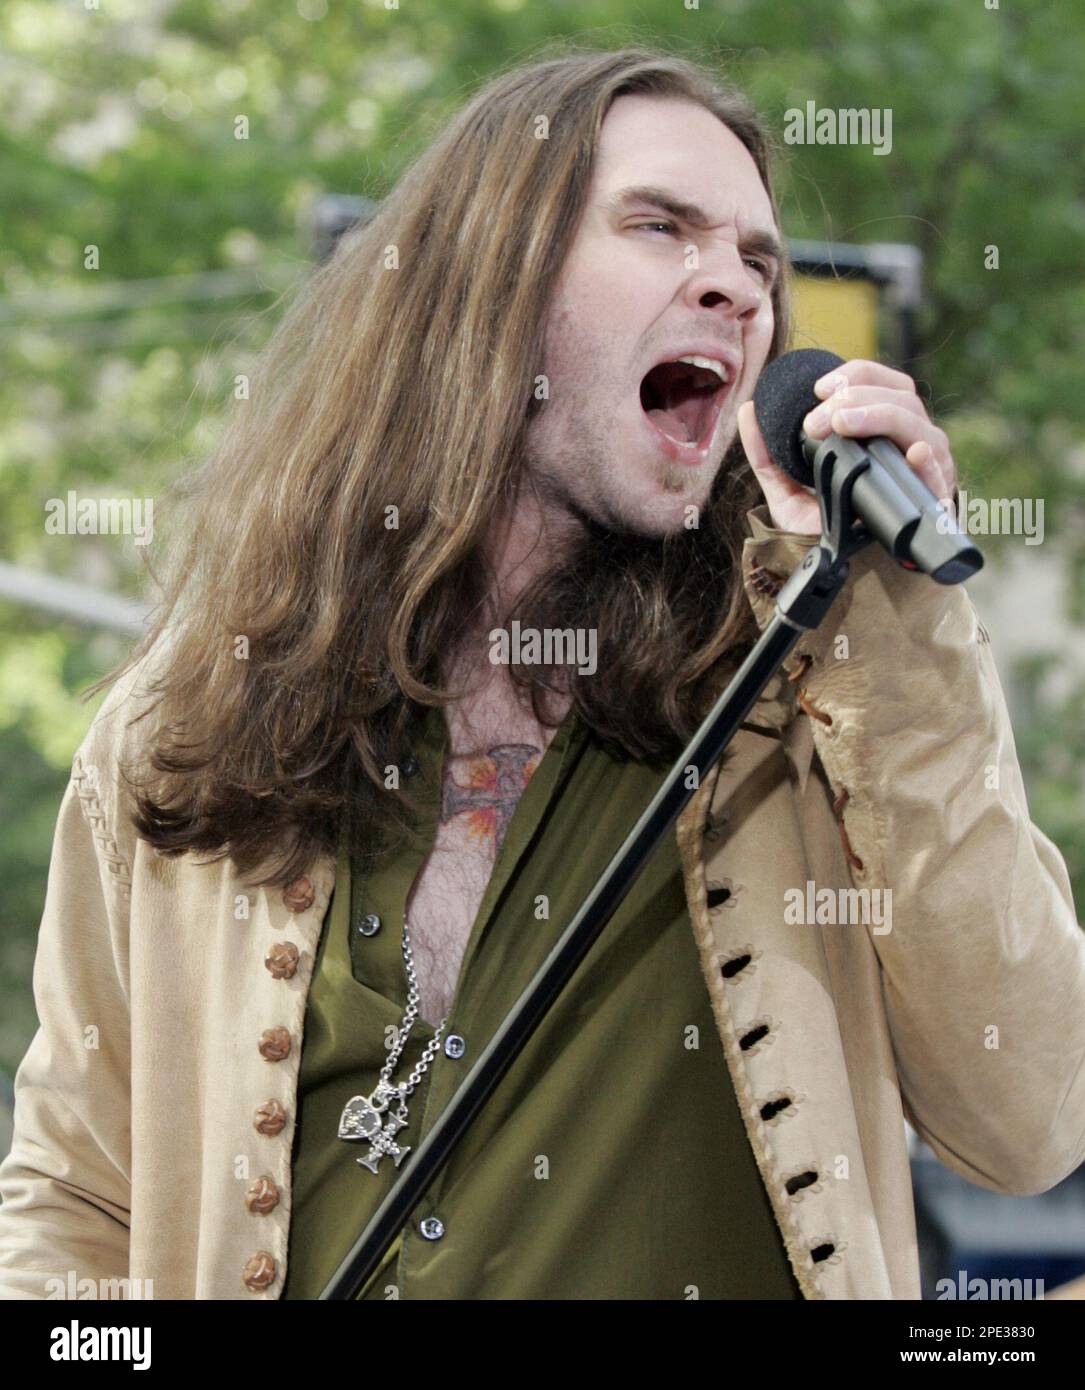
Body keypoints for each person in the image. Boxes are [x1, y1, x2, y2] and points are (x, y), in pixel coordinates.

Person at [1, 45, 1083, 1302]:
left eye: (757, 260)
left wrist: (896, 626)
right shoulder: (188, 725)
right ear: (486, 283)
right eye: (660, 225)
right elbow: (73, 1197)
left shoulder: (813, 703)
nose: (734, 286)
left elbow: (1033, 1119)